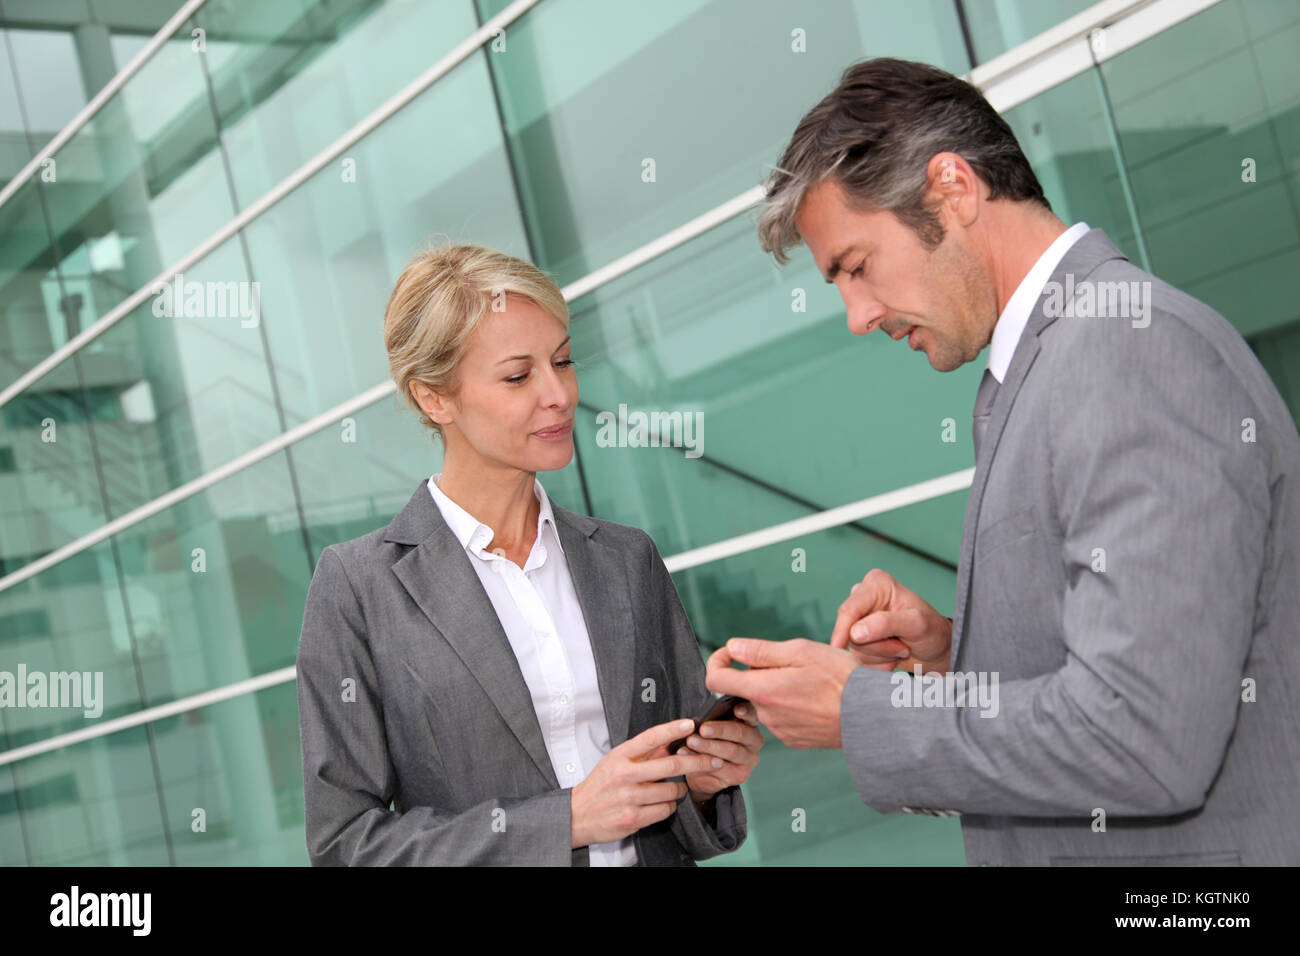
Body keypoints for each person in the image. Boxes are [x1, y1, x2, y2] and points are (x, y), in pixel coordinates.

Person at [706, 57, 1300, 865]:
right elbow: (1108, 667)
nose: (856, 315)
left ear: (952, 189)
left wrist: (861, 709)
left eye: (855, 265)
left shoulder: (1125, 352)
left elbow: (1143, 739)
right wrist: (954, 653)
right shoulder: (1049, 365)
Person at [297, 244, 761, 865]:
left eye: (563, 362)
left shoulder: (627, 560)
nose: (559, 394)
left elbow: (677, 797)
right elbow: (346, 844)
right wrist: (564, 822)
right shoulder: (357, 587)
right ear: (435, 398)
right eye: (519, 376)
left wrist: (703, 784)